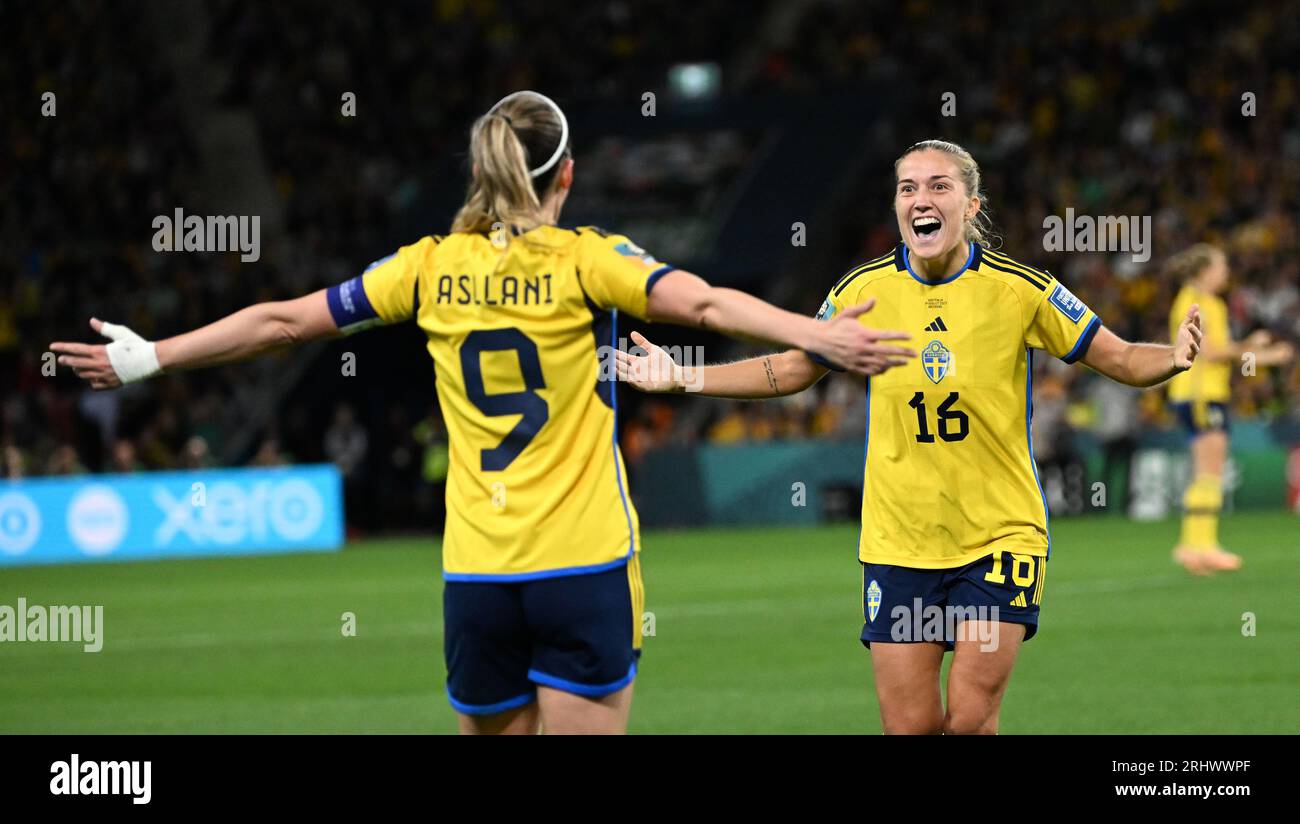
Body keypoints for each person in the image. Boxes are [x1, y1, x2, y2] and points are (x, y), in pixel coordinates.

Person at [50, 91, 911, 735]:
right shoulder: (589, 259)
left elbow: (281, 321)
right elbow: (709, 306)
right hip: (582, 565)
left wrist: (150, 356)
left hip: (478, 576)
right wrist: (818, 334)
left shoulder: (424, 267)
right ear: (568, 173)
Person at [619, 139, 1203, 734]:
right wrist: (683, 376)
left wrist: (1175, 357)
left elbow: (1124, 358)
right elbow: (792, 369)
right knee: (912, 729)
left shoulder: (1021, 291)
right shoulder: (862, 293)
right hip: (899, 543)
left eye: (939, 186)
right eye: (908, 188)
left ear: (973, 205)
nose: (921, 199)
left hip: (999, 538)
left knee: (971, 723)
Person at [1164, 244, 1294, 574]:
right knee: (1211, 471)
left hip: (1201, 393)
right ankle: (1203, 546)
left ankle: (1192, 546)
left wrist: (1254, 349)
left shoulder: (1206, 302)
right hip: (1200, 394)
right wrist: (1260, 351)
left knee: (1205, 471)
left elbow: (1220, 351)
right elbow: (1212, 352)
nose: (1226, 272)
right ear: (1204, 270)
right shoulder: (1198, 304)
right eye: (1221, 266)